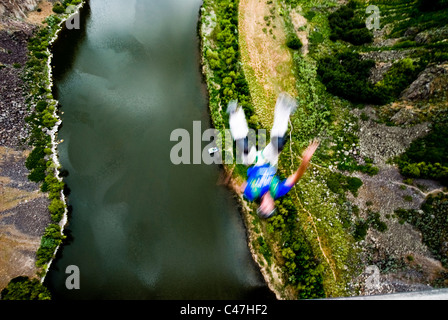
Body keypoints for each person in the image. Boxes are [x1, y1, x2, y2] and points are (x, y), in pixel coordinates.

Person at [227, 93, 320, 218]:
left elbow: (241, 187)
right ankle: (283, 106)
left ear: (260, 205)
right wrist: (305, 161)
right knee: (279, 143)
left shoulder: (252, 193)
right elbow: (295, 177)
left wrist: (232, 183)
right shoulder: (278, 190)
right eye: (269, 207)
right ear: (273, 205)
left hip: (253, 162)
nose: (266, 204)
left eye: (263, 207)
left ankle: (235, 114)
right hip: (268, 160)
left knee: (244, 147)